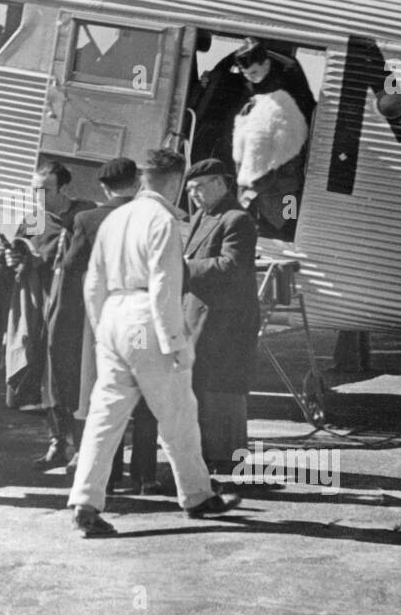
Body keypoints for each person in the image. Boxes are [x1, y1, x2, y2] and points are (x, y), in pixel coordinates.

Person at [67, 149, 240, 537]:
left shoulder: (116, 218)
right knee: (177, 411)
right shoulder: (162, 219)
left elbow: (92, 281)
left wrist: (101, 330)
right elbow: (165, 282)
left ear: (144, 179)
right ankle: (197, 495)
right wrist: (176, 341)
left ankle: (84, 500)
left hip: (113, 312)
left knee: (105, 416)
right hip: (148, 315)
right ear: (176, 182)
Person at [47, 157, 158, 490]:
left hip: (104, 323)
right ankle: (144, 475)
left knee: (106, 394)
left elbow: (70, 270)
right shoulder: (154, 217)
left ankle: (107, 477)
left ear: (103, 187)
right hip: (142, 320)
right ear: (137, 183)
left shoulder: (87, 219)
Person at [7, 162, 94, 452]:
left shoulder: (86, 213)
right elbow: (18, 257)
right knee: (46, 377)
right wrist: (15, 260)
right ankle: (57, 441)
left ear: (64, 189)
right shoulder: (33, 220)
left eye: (44, 191)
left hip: (80, 312)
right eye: (33, 191)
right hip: (44, 308)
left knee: (77, 377)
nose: (37, 197)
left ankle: (82, 446)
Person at [183, 158, 260, 474]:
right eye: (191, 190)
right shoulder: (204, 215)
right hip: (204, 314)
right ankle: (210, 456)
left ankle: (228, 459)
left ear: (219, 183)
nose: (195, 195)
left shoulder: (237, 219)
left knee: (223, 388)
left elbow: (232, 265)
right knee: (203, 383)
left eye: (199, 187)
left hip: (227, 319)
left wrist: (183, 267)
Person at [230, 38, 314, 240]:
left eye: (254, 73)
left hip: (282, 179)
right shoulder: (255, 95)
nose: (250, 78)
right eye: (245, 74)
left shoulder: (285, 90)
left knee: (288, 223)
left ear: (267, 64)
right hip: (274, 184)